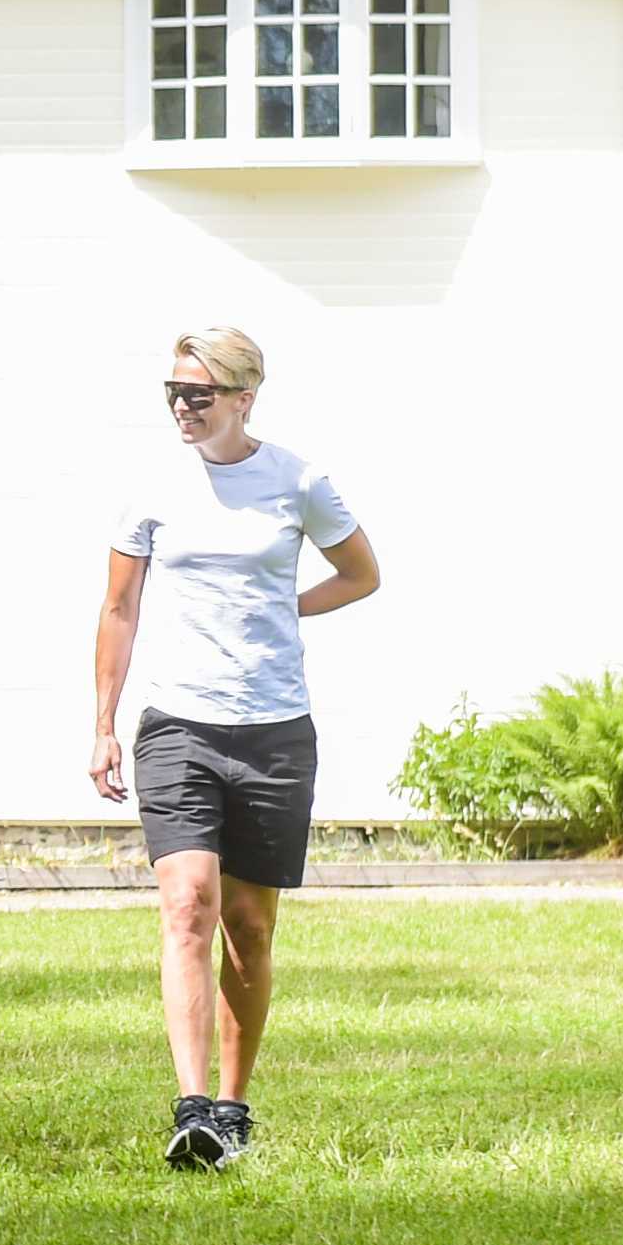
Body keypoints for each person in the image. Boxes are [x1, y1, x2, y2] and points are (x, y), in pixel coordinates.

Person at [90, 327, 379, 1170]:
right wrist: (103, 723)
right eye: (174, 392)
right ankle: (191, 1108)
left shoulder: (298, 480)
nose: (183, 406)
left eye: (199, 393)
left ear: (244, 398)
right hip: (178, 723)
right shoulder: (152, 486)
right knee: (188, 902)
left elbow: (362, 572)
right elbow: (118, 609)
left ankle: (233, 1106)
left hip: (274, 729)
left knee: (249, 926)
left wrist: (288, 607)